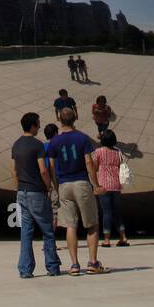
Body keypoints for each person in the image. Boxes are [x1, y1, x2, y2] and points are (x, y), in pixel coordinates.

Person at [46, 107, 107, 275]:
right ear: (75, 119)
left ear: (59, 119)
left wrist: (55, 185)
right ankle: (93, 262)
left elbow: (51, 165)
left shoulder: (54, 142)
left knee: (70, 225)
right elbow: (88, 162)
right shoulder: (82, 138)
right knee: (92, 224)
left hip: (64, 185)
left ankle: (74, 265)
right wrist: (95, 184)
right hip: (81, 182)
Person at [10, 112, 61, 278]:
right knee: (47, 230)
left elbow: (14, 170)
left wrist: (18, 187)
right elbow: (44, 170)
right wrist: (49, 186)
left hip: (22, 192)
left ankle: (25, 269)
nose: (39, 126)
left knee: (26, 232)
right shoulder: (37, 145)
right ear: (32, 126)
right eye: (38, 124)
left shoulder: (16, 145)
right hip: (36, 192)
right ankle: (52, 266)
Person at [92, 130, 128, 247]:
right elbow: (121, 165)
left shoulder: (98, 151)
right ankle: (123, 237)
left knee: (107, 212)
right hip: (116, 185)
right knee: (117, 212)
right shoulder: (118, 152)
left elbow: (95, 167)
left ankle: (107, 239)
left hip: (103, 185)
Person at [42, 123, 61, 229]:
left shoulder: (43, 146)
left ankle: (50, 237)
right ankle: (51, 238)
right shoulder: (60, 146)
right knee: (55, 211)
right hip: (58, 180)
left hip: (46, 182)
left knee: (50, 210)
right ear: (55, 133)